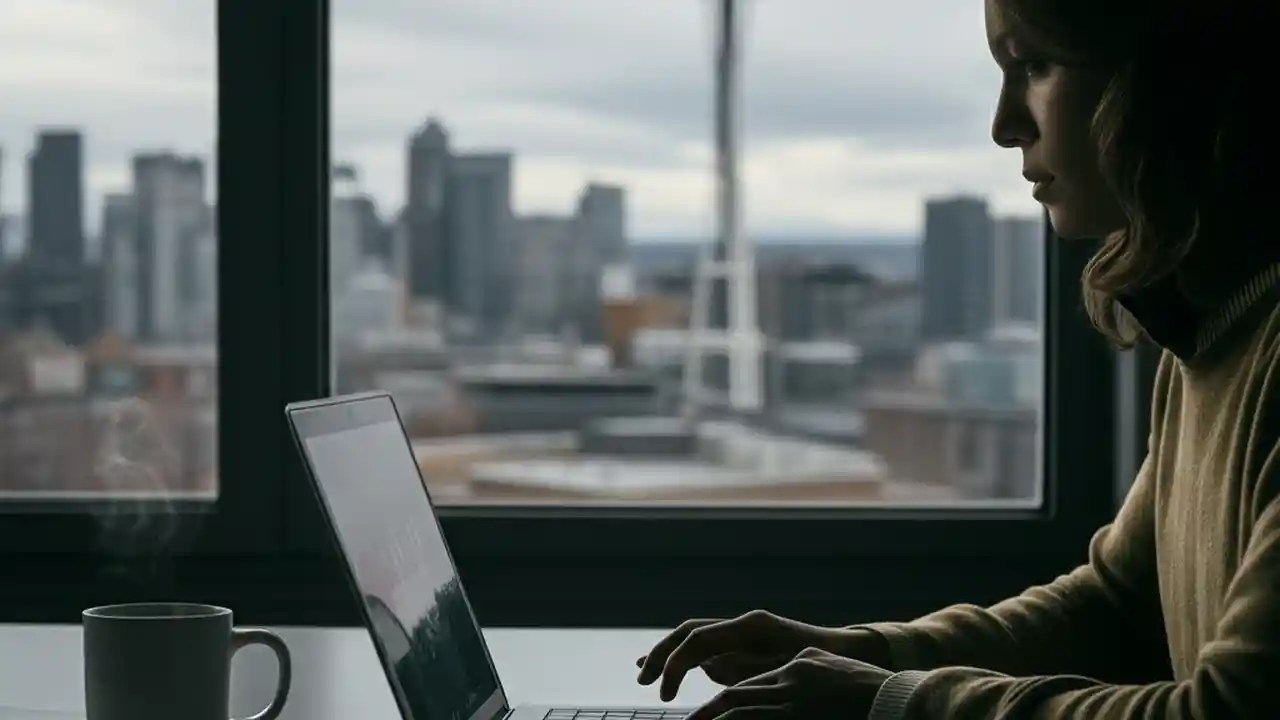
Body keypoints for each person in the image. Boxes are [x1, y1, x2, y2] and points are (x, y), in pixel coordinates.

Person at [636, 0, 1277, 717]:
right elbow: (1121, 609)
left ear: (1175, 74)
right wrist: (864, 654)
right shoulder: (1207, 333)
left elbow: (1232, 710)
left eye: (1034, 65)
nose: (1004, 126)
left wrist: (893, 702)